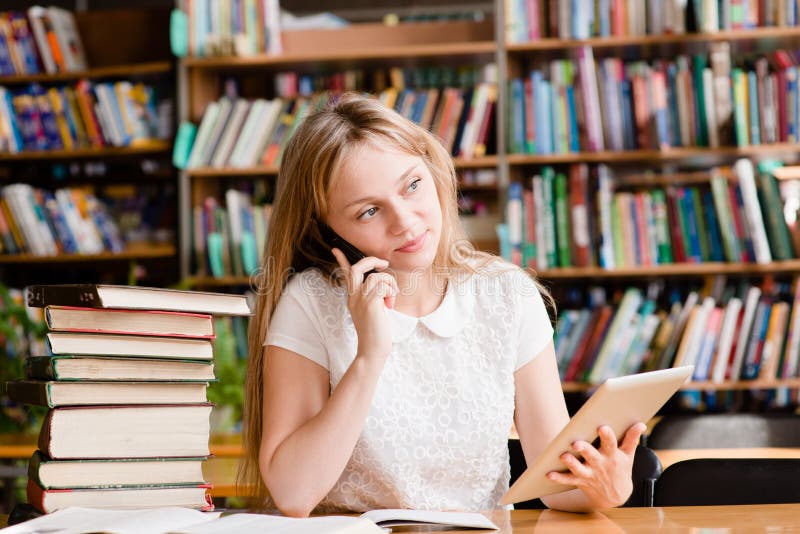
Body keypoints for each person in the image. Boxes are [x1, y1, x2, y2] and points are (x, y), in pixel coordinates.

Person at [240, 93, 646, 516]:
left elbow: (558, 485)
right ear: (328, 232)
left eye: (412, 185)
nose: (405, 221)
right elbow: (293, 494)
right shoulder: (311, 301)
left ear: (433, 171)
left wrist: (606, 487)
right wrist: (369, 356)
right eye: (369, 211)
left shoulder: (508, 295)